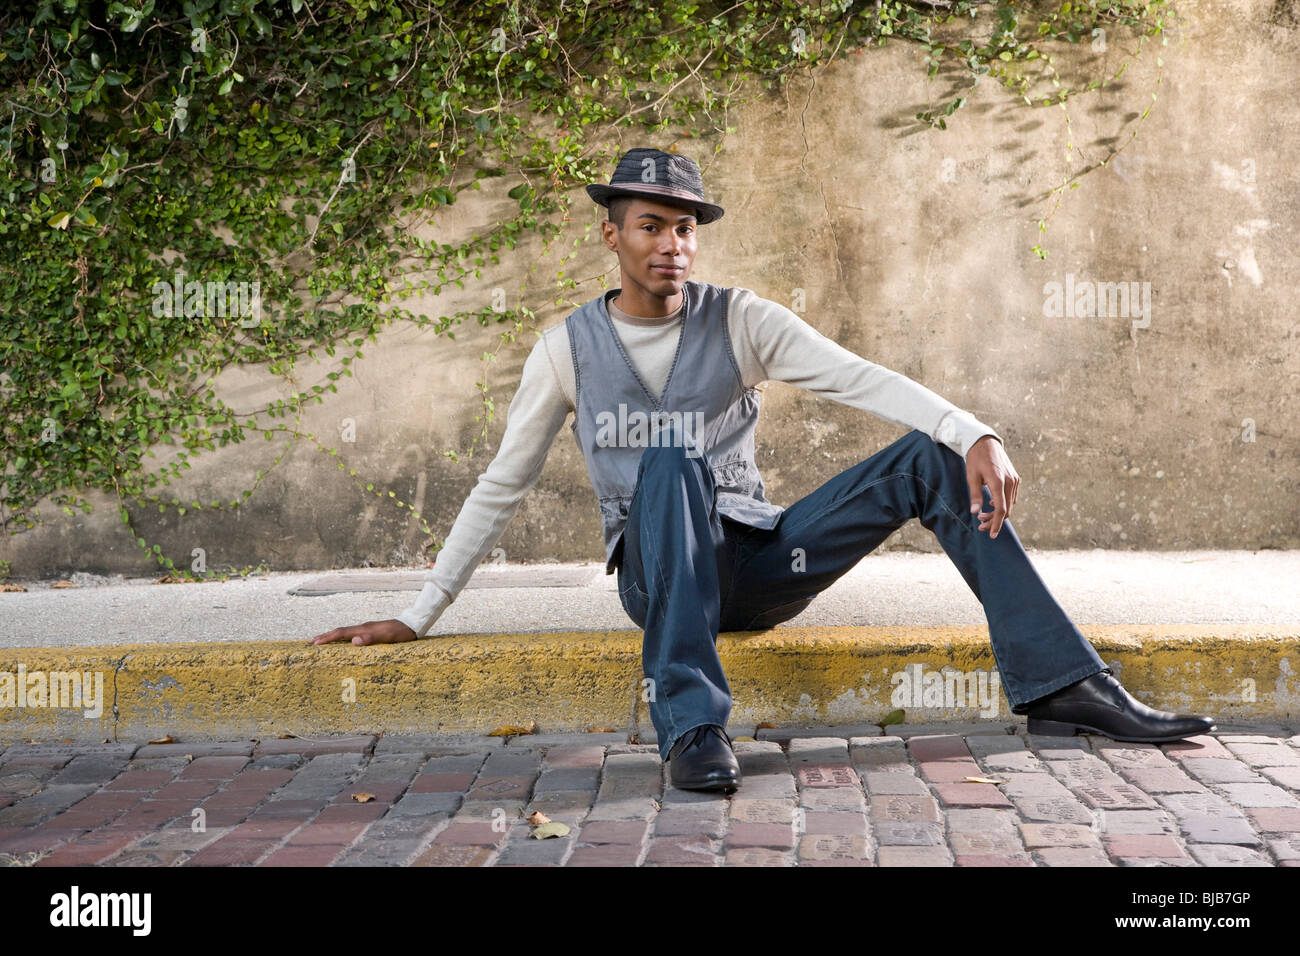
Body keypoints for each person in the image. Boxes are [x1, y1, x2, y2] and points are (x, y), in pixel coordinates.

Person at [310, 147, 1214, 793]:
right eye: (652, 226)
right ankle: (693, 727)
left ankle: (1062, 685)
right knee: (668, 456)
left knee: (931, 459)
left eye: (686, 229)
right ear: (612, 236)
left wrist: (973, 429)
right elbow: (501, 481)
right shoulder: (566, 351)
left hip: (763, 562)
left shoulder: (740, 320)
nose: (673, 244)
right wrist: (421, 612)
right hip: (661, 581)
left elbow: (861, 378)